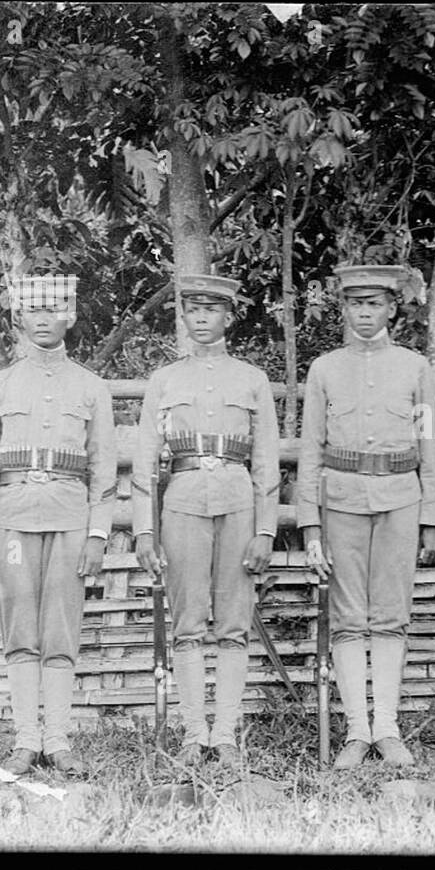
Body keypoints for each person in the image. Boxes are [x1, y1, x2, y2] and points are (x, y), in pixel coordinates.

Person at [0, 275, 117, 776]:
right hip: (12, 520)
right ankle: (27, 741)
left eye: (54, 309)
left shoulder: (92, 388)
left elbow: (103, 471)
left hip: (71, 520)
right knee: (21, 633)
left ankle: (59, 740)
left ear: (70, 316)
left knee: (60, 633)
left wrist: (98, 534)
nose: (44, 319)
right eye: (34, 310)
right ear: (20, 318)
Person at [296, 265, 435, 770]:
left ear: (391, 309)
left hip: (401, 497)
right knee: (347, 618)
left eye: (375, 304)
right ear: (344, 308)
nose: (365, 313)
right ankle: (357, 731)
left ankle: (388, 727)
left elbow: (431, 444)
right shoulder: (325, 369)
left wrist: (432, 516)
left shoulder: (415, 367)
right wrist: (310, 524)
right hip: (340, 499)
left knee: (390, 615)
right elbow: (310, 450)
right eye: (356, 304)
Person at [132, 275, 280, 769]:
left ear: (228, 317)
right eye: (193, 310)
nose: (201, 319)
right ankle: (195, 732)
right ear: (185, 317)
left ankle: (226, 734)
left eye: (211, 311)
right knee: (188, 625)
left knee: (234, 625)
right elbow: (146, 461)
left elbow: (265, 461)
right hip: (183, 501)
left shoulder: (251, 379)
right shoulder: (165, 380)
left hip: (238, 502)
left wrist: (265, 529)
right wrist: (145, 530)